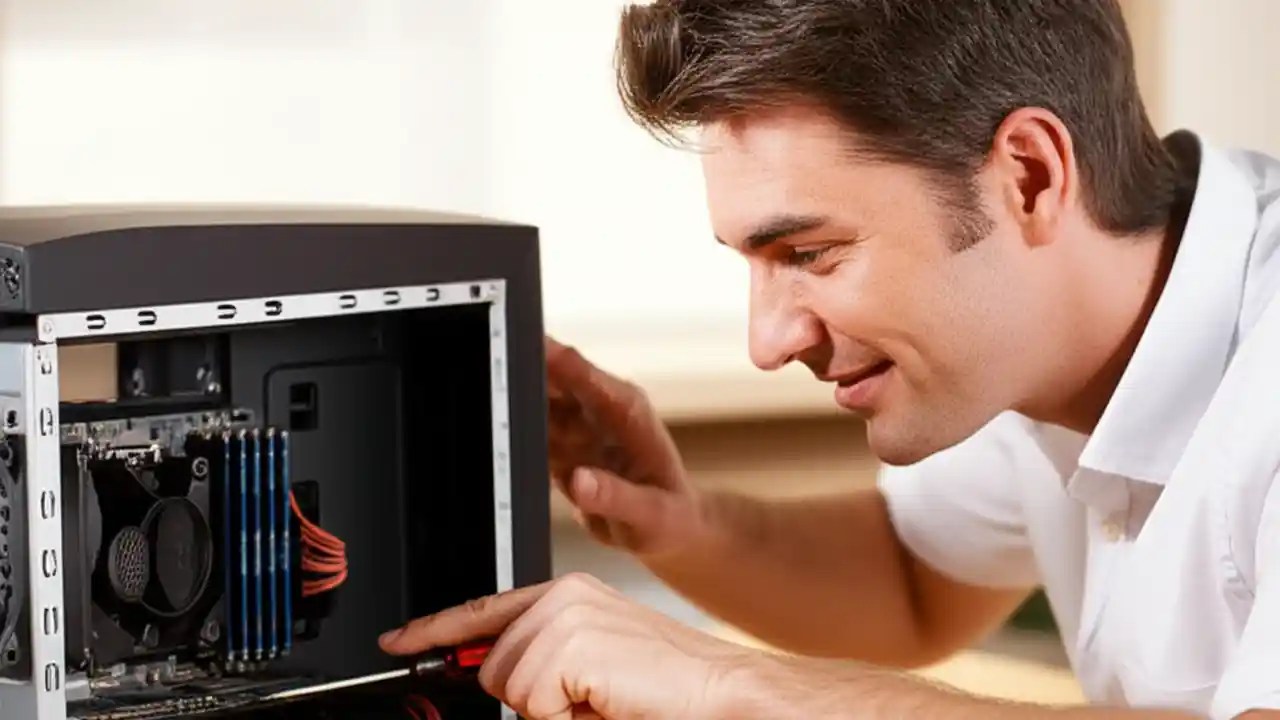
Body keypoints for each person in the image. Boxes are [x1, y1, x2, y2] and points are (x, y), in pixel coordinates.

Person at [379, 1, 1280, 718]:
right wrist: (678, 524)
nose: (766, 343)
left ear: (1030, 176)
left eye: (810, 255)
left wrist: (731, 687)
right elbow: (913, 580)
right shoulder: (1046, 342)